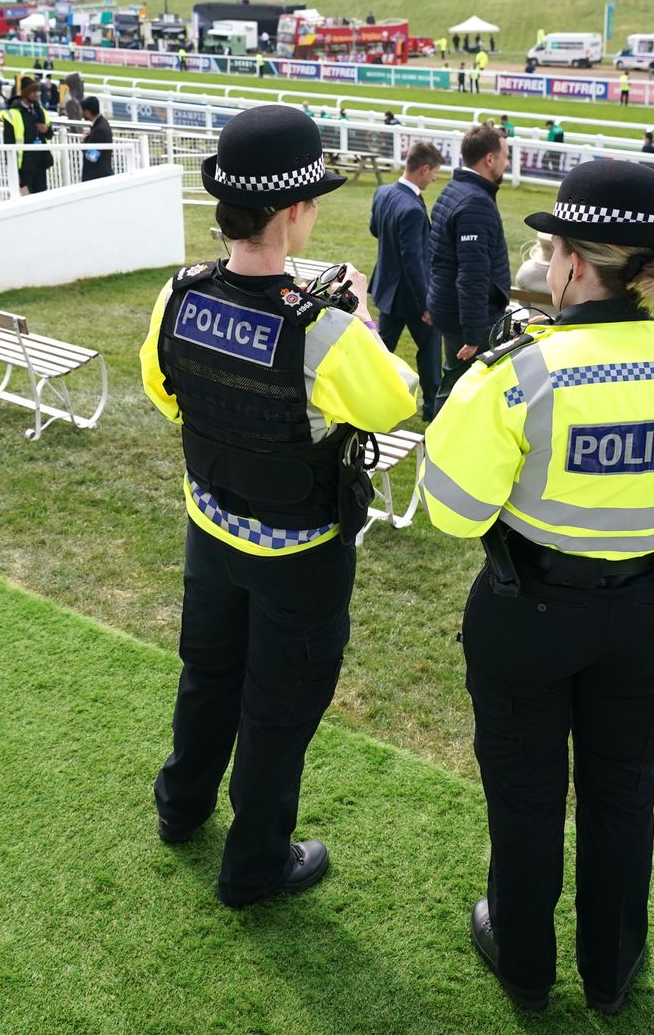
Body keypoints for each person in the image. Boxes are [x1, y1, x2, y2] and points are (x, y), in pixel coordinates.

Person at [418, 159, 654, 1016]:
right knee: (624, 791)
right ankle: (612, 969)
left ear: (565, 262)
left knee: (524, 797)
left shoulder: (520, 372)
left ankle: (525, 965)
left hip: (530, 613)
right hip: (647, 611)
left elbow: (450, 509)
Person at [139, 104, 418, 909]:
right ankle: (254, 864)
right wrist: (361, 313)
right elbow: (393, 403)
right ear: (294, 213)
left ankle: (180, 808)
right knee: (276, 712)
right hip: (301, 551)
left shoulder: (178, 294)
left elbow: (166, 394)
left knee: (207, 677)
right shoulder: (326, 327)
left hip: (210, 526)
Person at [427, 125, 512, 417]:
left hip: (450, 309)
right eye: (505, 156)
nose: (507, 163)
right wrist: (475, 335)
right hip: (469, 319)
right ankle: (441, 447)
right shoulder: (475, 202)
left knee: (455, 379)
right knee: (460, 388)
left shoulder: (454, 189)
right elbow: (472, 275)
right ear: (489, 159)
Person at [369, 141, 445, 419]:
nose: (435, 177)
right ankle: (431, 409)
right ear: (424, 169)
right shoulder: (412, 209)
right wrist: (426, 305)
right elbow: (413, 262)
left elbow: (375, 229)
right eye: (434, 171)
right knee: (430, 354)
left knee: (380, 354)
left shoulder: (383, 192)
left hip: (387, 291)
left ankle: (370, 399)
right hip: (412, 297)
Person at [0, 74, 54, 195]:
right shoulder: (12, 114)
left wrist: (46, 131)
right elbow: (8, 144)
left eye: (37, 91)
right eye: (33, 91)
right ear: (25, 93)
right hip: (24, 168)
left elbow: (50, 134)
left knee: (42, 201)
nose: (36, 94)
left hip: (40, 164)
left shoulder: (41, 112)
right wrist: (13, 170)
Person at [79, 96, 114, 182]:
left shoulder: (99, 129)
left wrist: (85, 142)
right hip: (99, 175)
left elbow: (92, 156)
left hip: (96, 177)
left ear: (87, 112)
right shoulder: (101, 125)